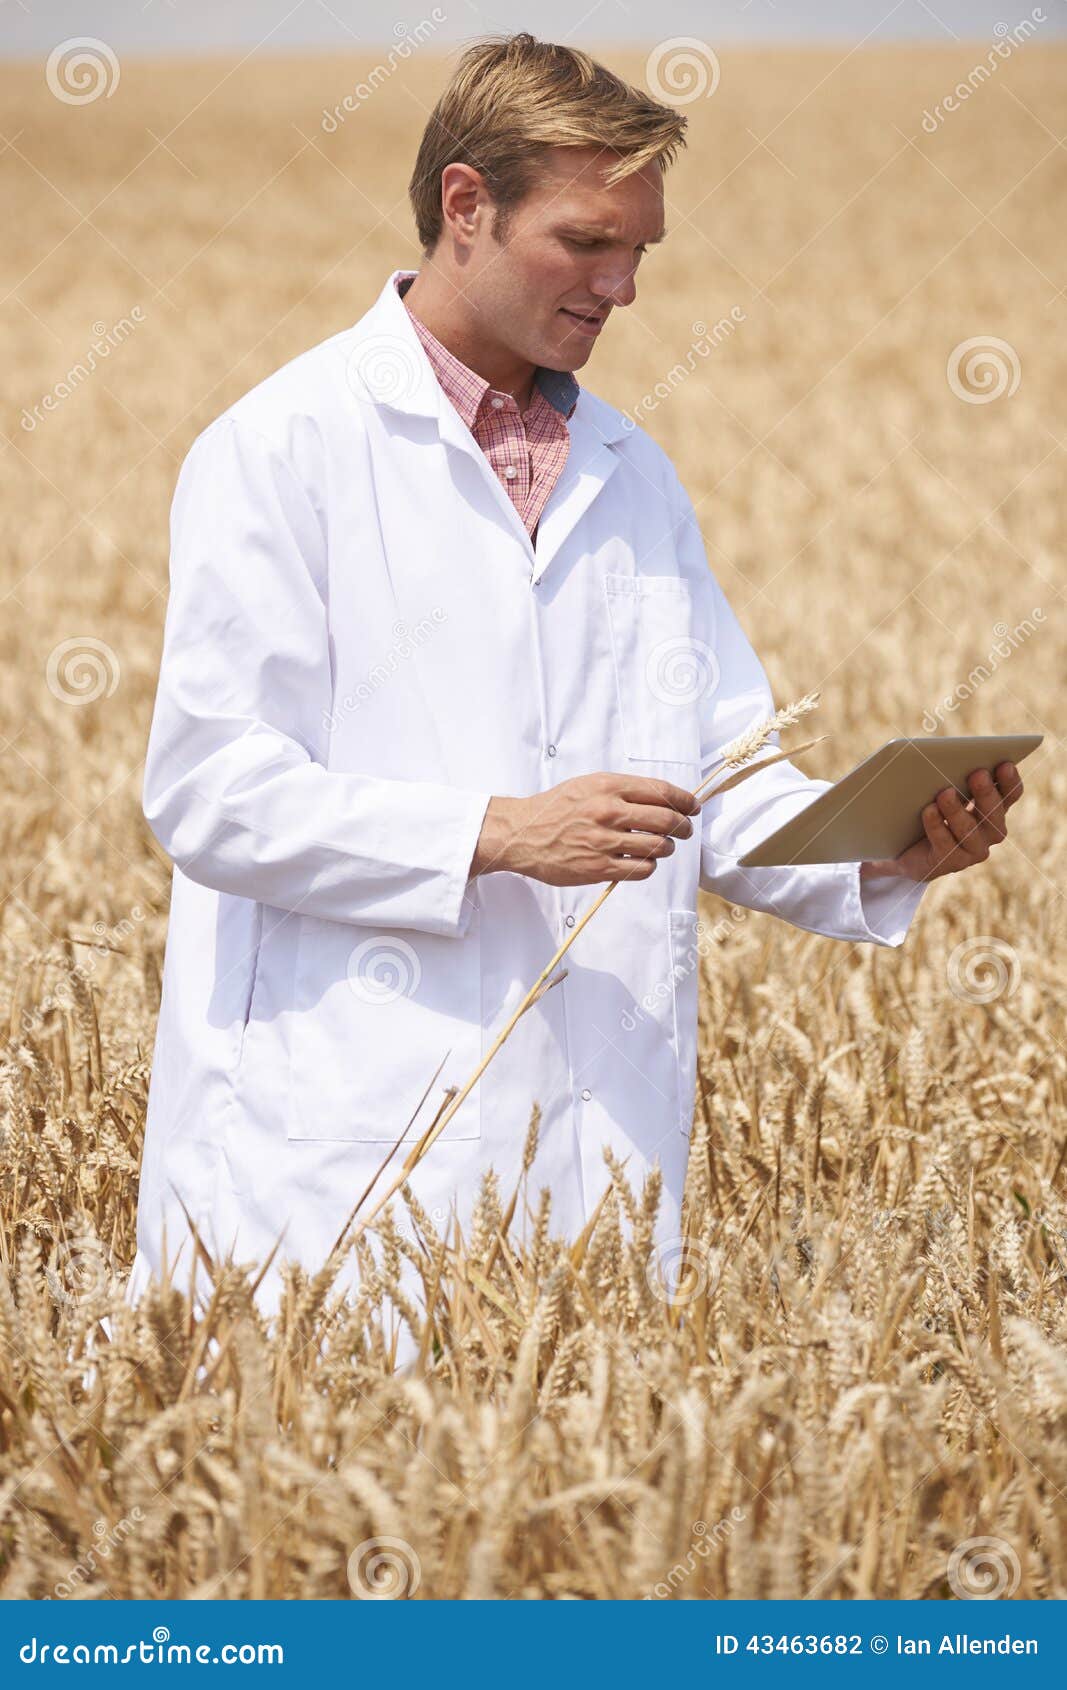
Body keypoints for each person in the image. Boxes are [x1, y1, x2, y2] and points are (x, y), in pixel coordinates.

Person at [128, 34, 1025, 1337]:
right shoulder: (283, 449)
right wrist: (499, 833)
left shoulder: (635, 477)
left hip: (582, 1175)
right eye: (590, 243)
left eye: (642, 252)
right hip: (329, 1167)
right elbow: (208, 791)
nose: (625, 287)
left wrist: (888, 844)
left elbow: (712, 787)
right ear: (466, 208)